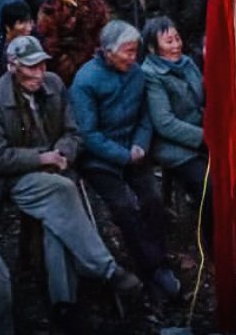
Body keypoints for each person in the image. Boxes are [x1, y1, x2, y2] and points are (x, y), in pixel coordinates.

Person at [0, 34, 144, 332]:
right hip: (13, 178)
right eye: (30, 68)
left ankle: (63, 303)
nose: (38, 74)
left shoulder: (53, 85)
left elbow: (74, 131)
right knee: (62, 191)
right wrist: (42, 159)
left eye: (41, 66)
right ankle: (106, 269)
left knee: (57, 219)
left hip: (57, 169)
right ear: (13, 66)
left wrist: (63, 153)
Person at [70, 20, 180, 302]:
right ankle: (149, 268)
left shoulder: (136, 74)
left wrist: (139, 145)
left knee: (152, 201)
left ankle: (157, 262)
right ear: (107, 52)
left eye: (135, 52)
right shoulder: (86, 81)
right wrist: (122, 155)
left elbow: (145, 115)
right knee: (124, 207)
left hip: (133, 149)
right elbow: (88, 133)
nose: (133, 58)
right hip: (100, 159)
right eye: (127, 52)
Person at [140, 16, 211, 240]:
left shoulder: (187, 62)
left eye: (177, 38)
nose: (176, 45)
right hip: (174, 144)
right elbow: (165, 123)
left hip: (202, 132)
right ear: (153, 48)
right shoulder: (150, 75)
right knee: (209, 186)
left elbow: (203, 98)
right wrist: (205, 137)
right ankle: (210, 240)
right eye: (169, 42)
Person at [36, 0, 111, 87]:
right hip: (65, 67)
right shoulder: (53, 9)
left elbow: (104, 34)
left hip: (93, 60)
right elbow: (50, 46)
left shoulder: (97, 5)